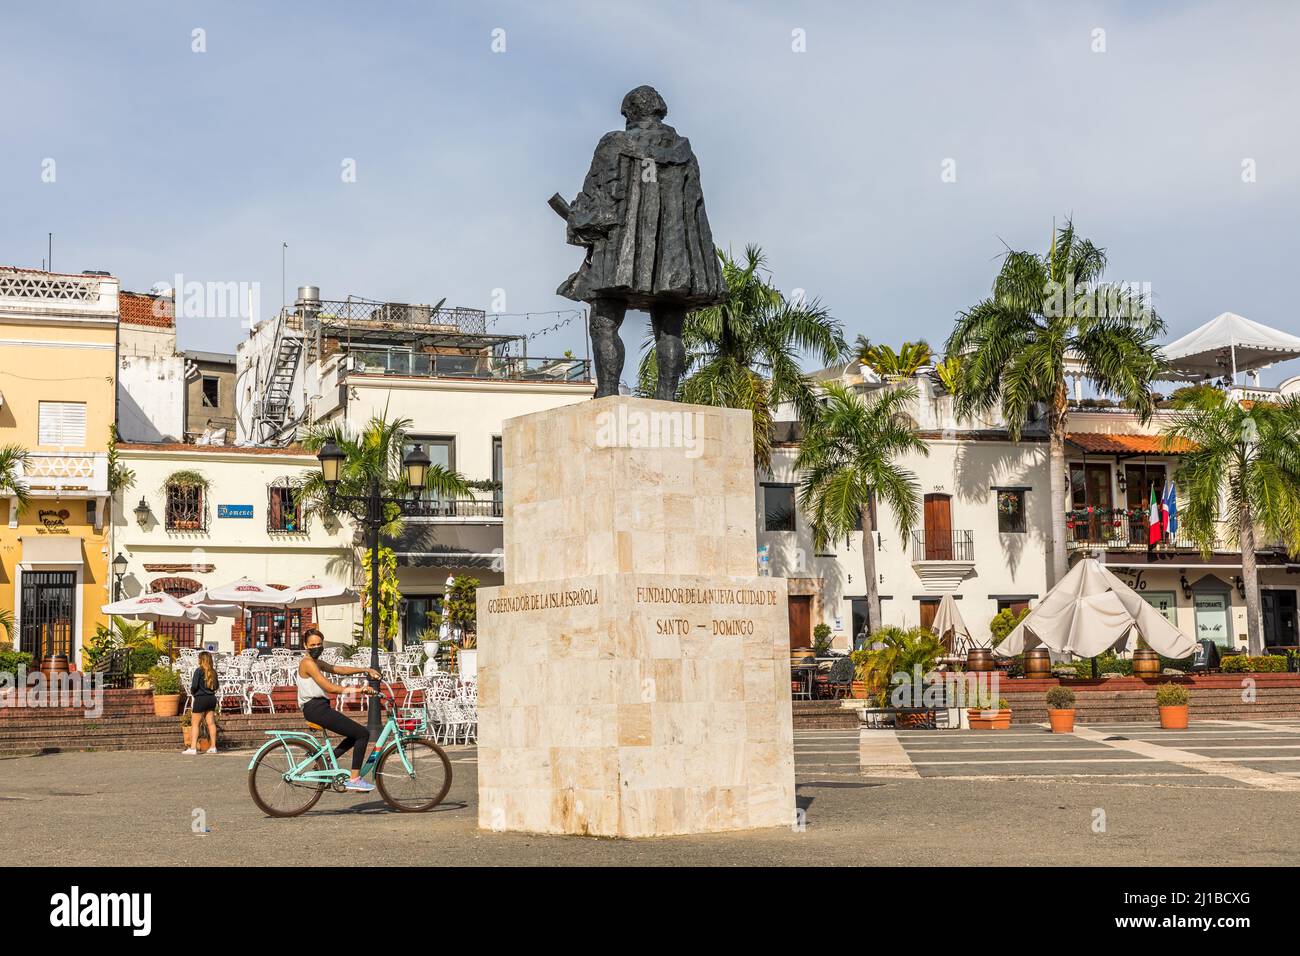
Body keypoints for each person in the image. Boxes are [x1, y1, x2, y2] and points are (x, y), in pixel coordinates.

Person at [297, 627, 381, 793]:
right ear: (305, 646)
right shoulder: (308, 663)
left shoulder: (316, 662)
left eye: (319, 644)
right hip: (316, 708)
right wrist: (360, 690)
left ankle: (326, 761)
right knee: (362, 734)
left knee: (354, 734)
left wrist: (366, 669)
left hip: (318, 707)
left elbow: (338, 669)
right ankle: (355, 779)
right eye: (312, 644)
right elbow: (330, 688)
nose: (316, 647)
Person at [184, 651, 219, 755]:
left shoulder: (198, 671)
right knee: (211, 723)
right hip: (211, 698)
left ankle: (193, 748)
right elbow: (216, 686)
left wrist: (193, 693)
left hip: (200, 698)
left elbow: (194, 686)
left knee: (195, 724)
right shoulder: (213, 672)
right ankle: (213, 747)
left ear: (201, 660)